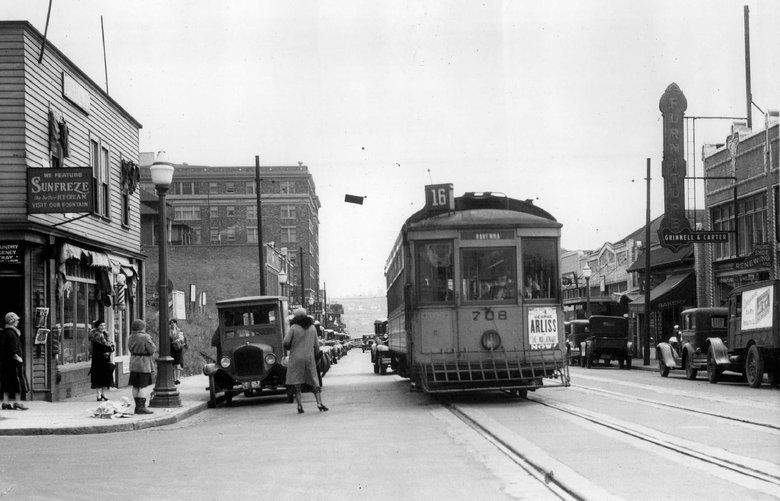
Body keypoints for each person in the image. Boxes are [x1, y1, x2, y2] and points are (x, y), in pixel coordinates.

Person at [283, 308, 328, 414]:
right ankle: (319, 403)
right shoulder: (312, 328)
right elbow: (317, 345)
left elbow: (286, 342)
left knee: (297, 382)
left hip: (296, 358)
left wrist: (291, 346)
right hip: (309, 357)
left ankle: (299, 405)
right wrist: (317, 355)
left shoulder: (294, 327)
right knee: (313, 380)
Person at [128, 318, 156, 415]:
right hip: (143, 364)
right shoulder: (145, 337)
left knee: (135, 386)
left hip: (133, 362)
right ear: (142, 327)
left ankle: (137, 406)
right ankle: (141, 407)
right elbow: (152, 350)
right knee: (142, 386)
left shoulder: (131, 337)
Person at [1, 312, 28, 410]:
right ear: (12, 321)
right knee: (18, 382)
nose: (17, 321)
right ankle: (17, 402)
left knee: (6, 382)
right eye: (16, 320)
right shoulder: (12, 333)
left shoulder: (6, 332)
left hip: (6, 363)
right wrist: (19, 359)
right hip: (14, 363)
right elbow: (13, 350)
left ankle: (5, 403)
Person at [88, 320, 114, 401]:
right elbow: (100, 348)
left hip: (106, 359)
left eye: (104, 325)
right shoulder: (95, 336)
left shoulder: (106, 335)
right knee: (98, 376)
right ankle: (98, 394)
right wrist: (109, 348)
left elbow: (112, 346)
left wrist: (110, 348)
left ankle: (103, 393)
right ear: (97, 327)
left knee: (105, 376)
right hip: (97, 359)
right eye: (101, 325)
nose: (103, 327)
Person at [169, 319, 186, 385]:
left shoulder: (179, 330)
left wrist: (179, 340)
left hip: (178, 349)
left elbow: (183, 339)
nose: (172, 324)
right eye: (171, 323)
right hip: (171, 348)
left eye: (173, 323)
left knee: (178, 363)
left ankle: (177, 378)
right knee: (173, 363)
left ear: (176, 324)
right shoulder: (168, 331)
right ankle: (174, 379)